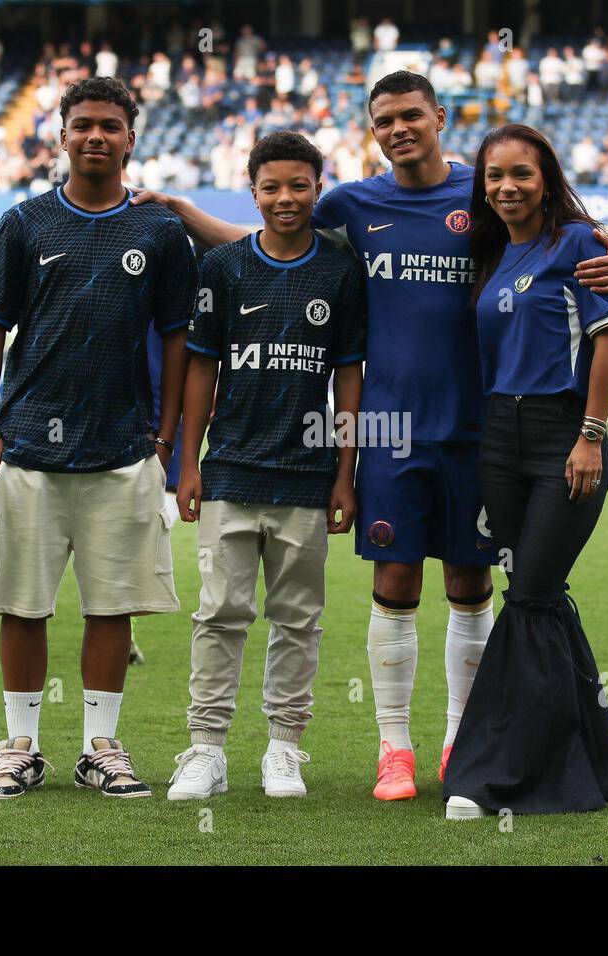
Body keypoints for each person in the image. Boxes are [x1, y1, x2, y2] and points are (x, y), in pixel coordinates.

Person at [129, 71, 608, 800]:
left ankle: (463, 740)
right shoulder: (356, 203)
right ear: (373, 131)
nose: (399, 129)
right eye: (384, 120)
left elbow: (554, 248)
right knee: (394, 582)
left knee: (470, 584)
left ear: (439, 117)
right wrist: (183, 212)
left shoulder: (484, 192)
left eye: (411, 115)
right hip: (390, 430)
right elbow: (275, 237)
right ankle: (393, 748)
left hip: (478, 430)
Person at [0, 77, 195, 800]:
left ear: (132, 137)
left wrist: (166, 440)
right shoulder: (24, 222)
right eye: (83, 124)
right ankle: (20, 746)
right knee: (21, 603)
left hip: (123, 448)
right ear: (61, 134)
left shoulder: (160, 232)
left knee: (111, 605)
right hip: (28, 446)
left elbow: (180, 340)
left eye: (111, 126)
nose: (96, 136)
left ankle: (101, 745)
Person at [166, 132, 365, 800]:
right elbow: (201, 366)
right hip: (229, 471)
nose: (286, 198)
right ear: (252, 191)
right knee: (220, 611)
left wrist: (345, 471)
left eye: (299, 185)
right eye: (272, 187)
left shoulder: (340, 269)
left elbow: (348, 375)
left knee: (297, 617)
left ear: (318, 187)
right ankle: (206, 749)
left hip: (306, 478)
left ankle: (284, 748)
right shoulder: (223, 267)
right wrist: (187, 463)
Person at [442, 124, 608, 819]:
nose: (506, 188)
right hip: (499, 439)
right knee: (537, 595)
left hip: (563, 436)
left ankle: (495, 773)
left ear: (545, 177)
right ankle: (594, 763)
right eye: (493, 178)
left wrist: (590, 436)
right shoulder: (491, 252)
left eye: (520, 174)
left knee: (528, 597)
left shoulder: (579, 244)